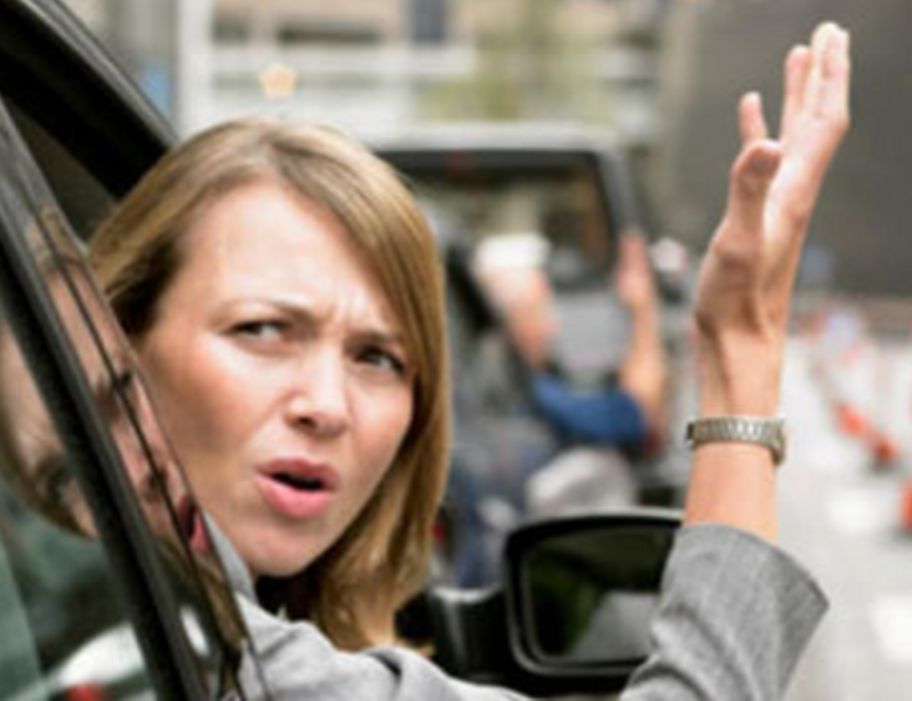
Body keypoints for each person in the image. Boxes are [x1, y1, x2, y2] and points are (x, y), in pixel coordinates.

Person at [72, 20, 851, 698]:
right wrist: (741, 344)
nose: (327, 402)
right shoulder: (244, 661)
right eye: (264, 330)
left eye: (378, 356)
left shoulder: (149, 628)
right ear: (113, 346)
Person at [475, 231, 668, 455]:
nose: (552, 326)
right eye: (540, 311)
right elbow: (641, 413)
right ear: (510, 322)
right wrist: (642, 310)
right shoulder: (532, 401)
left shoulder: (507, 391)